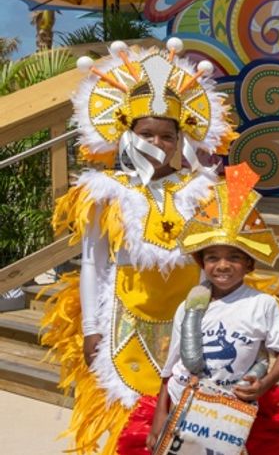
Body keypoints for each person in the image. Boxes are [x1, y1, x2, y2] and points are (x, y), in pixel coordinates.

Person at [39, 38, 230, 454]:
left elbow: (214, 260)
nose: (157, 144)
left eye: (166, 136)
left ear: (181, 140)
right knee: (129, 418)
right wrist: (91, 328)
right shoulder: (104, 191)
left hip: (190, 319)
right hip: (125, 316)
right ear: (128, 135)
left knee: (191, 419)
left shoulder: (201, 189)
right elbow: (93, 263)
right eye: (147, 133)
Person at [148, 163, 279, 454]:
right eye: (213, 257)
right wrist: (159, 416)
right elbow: (170, 366)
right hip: (183, 405)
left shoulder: (261, 304)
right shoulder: (189, 306)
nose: (223, 265)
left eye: (234, 257)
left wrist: (264, 385)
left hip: (229, 412)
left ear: (250, 264)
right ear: (202, 264)